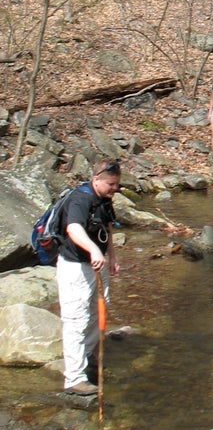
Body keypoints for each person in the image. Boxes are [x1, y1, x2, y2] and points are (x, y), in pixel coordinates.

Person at [56, 159, 121, 396]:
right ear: (96, 180)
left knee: (98, 311)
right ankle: (74, 378)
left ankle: (88, 356)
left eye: (117, 184)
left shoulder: (104, 199)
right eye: (111, 184)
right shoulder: (80, 199)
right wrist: (93, 250)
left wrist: (111, 256)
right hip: (76, 267)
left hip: (98, 265)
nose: (114, 188)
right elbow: (74, 228)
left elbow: (107, 228)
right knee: (76, 319)